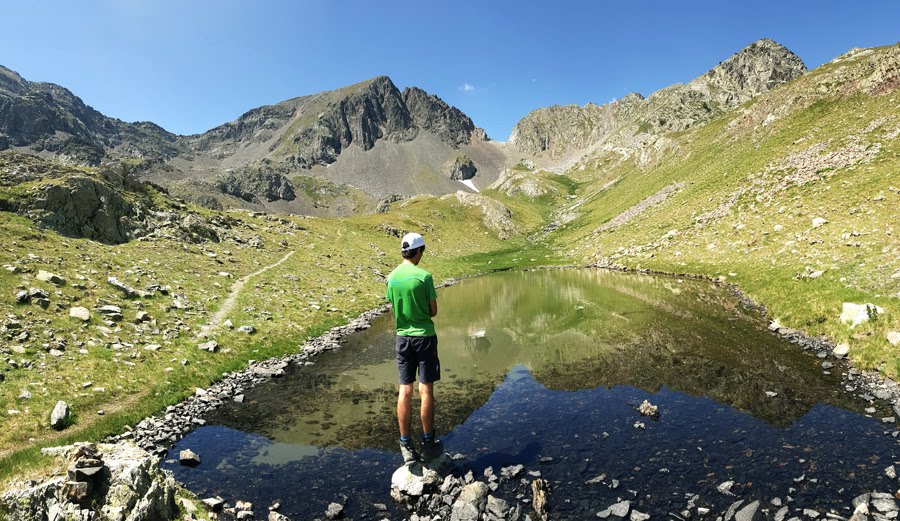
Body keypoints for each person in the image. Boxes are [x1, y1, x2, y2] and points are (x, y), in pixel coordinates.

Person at [385, 232, 443, 464]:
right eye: (422, 251)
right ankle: (428, 442)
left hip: (402, 338)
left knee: (405, 391)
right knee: (425, 390)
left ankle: (406, 444)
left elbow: (394, 306)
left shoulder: (391, 278)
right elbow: (433, 311)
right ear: (418, 251)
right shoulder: (424, 277)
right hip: (424, 338)